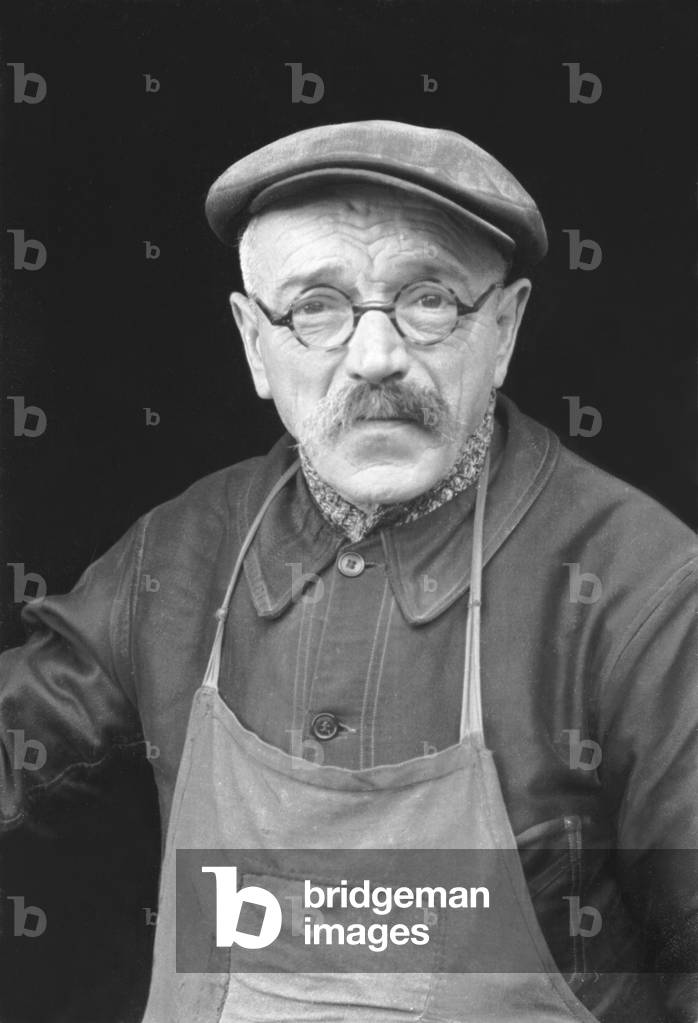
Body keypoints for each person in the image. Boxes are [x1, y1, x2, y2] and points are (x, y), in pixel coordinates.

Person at [1, 120, 695, 1022]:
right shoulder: (176, 556)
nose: (376, 356)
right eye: (317, 307)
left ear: (507, 327)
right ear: (255, 344)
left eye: (431, 299)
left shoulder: (644, 588)